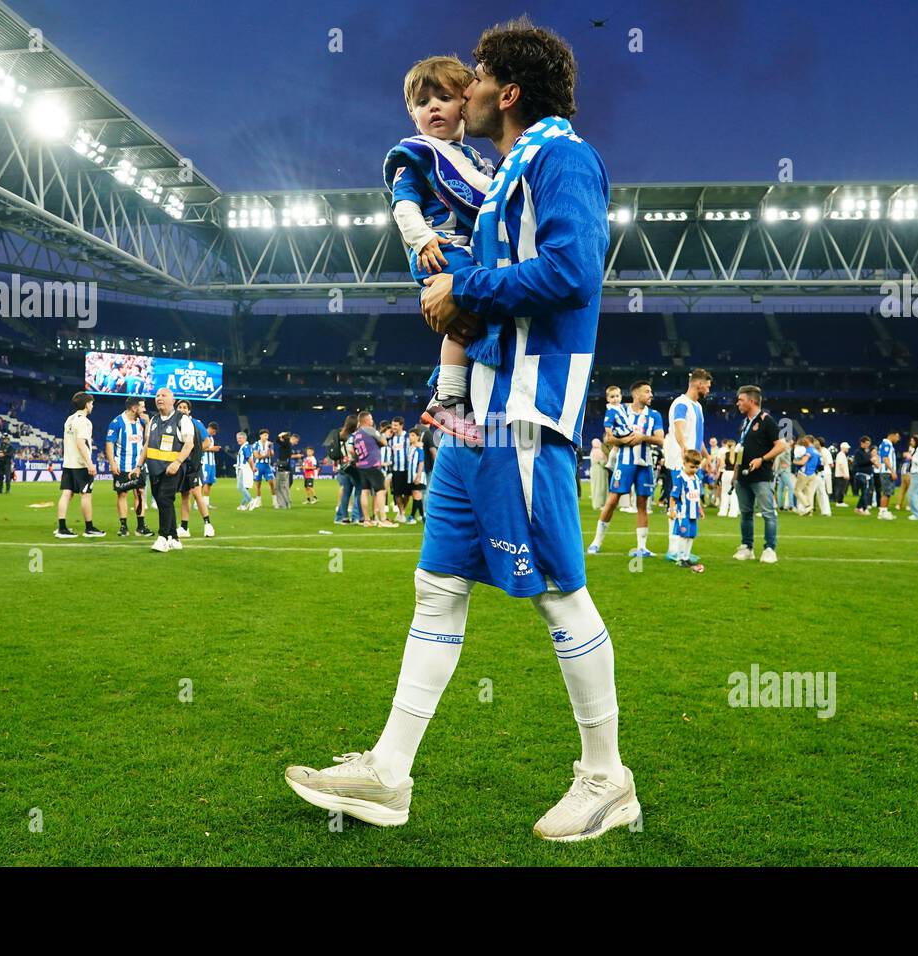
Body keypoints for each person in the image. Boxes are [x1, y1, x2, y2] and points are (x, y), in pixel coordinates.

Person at [286, 19, 639, 841]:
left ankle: (606, 778)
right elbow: (475, 293)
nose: (466, 88)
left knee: (558, 593)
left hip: (523, 415)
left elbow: (573, 271)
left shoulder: (562, 157)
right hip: (474, 417)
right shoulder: (507, 166)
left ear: (506, 92)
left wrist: (463, 288)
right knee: (437, 585)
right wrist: (452, 307)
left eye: (478, 76)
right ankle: (388, 773)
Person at [384, 56, 496, 444]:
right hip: (440, 249)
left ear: (464, 105)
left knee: (469, 319)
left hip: (464, 249)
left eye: (444, 97)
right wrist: (424, 239)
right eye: (422, 102)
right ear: (412, 115)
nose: (432, 107)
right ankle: (446, 400)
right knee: (476, 293)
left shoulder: (476, 160)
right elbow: (403, 207)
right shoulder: (416, 157)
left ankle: (450, 393)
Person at [588, 381, 665, 557]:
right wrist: (624, 441)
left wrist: (642, 437)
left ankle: (642, 547)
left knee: (642, 504)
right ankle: (596, 542)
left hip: (645, 464)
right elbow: (608, 439)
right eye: (647, 392)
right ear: (636, 395)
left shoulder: (654, 415)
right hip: (624, 462)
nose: (651, 395)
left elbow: (660, 439)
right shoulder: (620, 411)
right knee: (612, 500)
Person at [732, 385, 785, 564]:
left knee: (768, 513)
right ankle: (747, 547)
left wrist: (762, 459)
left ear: (752, 401)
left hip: (761, 475)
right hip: (743, 476)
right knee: (745, 513)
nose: (738, 403)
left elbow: (781, 445)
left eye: (741, 399)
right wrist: (735, 474)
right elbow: (741, 450)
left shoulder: (767, 420)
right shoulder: (745, 422)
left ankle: (770, 548)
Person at [662, 368, 710, 559]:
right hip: (680, 461)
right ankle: (673, 549)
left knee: (688, 500)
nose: (708, 389)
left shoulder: (697, 406)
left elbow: (696, 435)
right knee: (678, 500)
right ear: (699, 384)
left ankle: (680, 549)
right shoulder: (681, 404)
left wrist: (708, 455)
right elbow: (679, 429)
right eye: (707, 385)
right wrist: (683, 450)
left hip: (691, 459)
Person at [142, 388, 195, 552]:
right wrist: (138, 466)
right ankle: (174, 538)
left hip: (173, 468)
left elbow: (189, 444)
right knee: (163, 501)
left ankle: (163, 537)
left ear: (173, 400)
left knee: (165, 498)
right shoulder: (153, 420)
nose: (159, 398)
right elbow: (147, 444)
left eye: (163, 395)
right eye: (157, 395)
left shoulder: (183, 420)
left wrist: (177, 462)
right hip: (154, 469)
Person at [54, 392, 105, 539]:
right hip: (81, 465)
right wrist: (89, 463)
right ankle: (89, 528)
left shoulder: (69, 419)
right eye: (91, 403)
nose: (92, 405)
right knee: (86, 495)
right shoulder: (84, 421)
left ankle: (62, 527)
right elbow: (81, 443)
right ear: (87, 404)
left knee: (66, 494)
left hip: (68, 463)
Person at [105, 396, 152, 537]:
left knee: (140, 494)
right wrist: (112, 463)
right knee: (122, 494)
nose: (144, 409)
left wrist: (148, 423)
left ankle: (141, 527)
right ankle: (123, 526)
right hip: (122, 466)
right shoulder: (117, 422)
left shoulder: (142, 421)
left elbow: (148, 440)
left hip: (138, 465)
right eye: (142, 406)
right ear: (134, 408)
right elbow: (109, 443)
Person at [175, 399, 214, 538]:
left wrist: (193, 451)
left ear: (189, 410)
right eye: (180, 407)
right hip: (181, 465)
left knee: (197, 494)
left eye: (185, 407)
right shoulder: (174, 424)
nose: (182, 409)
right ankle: (184, 528)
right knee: (185, 496)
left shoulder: (196, 423)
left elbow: (207, 442)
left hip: (194, 464)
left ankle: (208, 524)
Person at [352, 411, 394, 527]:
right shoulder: (370, 430)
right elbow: (384, 441)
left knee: (364, 492)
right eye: (370, 419)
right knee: (381, 491)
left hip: (362, 465)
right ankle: (383, 519)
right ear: (365, 420)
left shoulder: (356, 434)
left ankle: (366, 520)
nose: (372, 421)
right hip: (373, 465)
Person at [669, 448, 705, 571]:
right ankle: (680, 558)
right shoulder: (680, 478)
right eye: (691, 467)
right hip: (683, 512)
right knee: (683, 535)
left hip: (694, 513)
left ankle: (686, 556)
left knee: (691, 535)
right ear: (684, 463)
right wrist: (672, 510)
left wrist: (700, 509)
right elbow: (673, 496)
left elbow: (697, 496)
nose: (694, 470)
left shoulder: (697, 479)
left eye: (696, 467)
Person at [875, 429, 899, 519]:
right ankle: (882, 512)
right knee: (886, 492)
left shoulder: (888, 444)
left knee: (888, 493)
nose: (898, 439)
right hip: (886, 472)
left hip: (887, 471)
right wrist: (892, 471)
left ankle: (884, 510)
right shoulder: (886, 444)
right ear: (892, 435)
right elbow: (885, 458)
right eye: (897, 437)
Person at [405, 428, 425, 523]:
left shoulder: (419, 448)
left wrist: (418, 476)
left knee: (416, 494)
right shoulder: (411, 447)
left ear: (418, 437)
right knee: (417, 495)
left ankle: (412, 517)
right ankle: (422, 516)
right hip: (411, 475)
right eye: (410, 435)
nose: (411, 437)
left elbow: (421, 462)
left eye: (413, 435)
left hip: (417, 475)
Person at [201, 422, 221, 511]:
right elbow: (199, 448)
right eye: (214, 431)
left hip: (212, 463)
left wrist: (214, 449)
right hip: (205, 463)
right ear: (211, 428)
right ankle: (197, 503)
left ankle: (206, 503)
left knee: (209, 483)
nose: (214, 433)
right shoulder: (202, 435)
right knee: (202, 483)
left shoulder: (211, 438)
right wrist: (212, 449)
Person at [274, 430, 297, 510]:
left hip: (283, 467)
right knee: (285, 486)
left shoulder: (286, 444)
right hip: (286, 467)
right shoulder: (287, 445)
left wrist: (280, 434)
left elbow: (277, 440)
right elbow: (278, 440)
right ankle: (286, 503)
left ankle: (283, 504)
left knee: (281, 486)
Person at [251, 428, 273, 508]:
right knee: (258, 485)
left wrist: (269, 449)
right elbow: (256, 456)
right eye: (265, 435)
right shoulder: (256, 444)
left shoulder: (270, 444)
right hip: (259, 466)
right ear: (261, 436)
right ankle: (258, 501)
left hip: (267, 466)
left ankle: (275, 501)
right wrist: (265, 455)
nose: (266, 437)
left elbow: (272, 455)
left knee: (272, 483)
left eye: (267, 435)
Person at [234, 431, 254, 510]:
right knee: (245, 488)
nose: (238, 440)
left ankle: (251, 500)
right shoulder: (244, 446)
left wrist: (253, 467)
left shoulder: (245, 447)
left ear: (245, 438)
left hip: (244, 469)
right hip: (244, 468)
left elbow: (249, 458)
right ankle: (242, 505)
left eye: (240, 438)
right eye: (237, 438)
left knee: (240, 487)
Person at [587, 437, 608, 509]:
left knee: (595, 487)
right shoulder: (599, 451)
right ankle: (599, 504)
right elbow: (602, 462)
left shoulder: (593, 451)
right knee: (600, 487)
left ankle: (597, 504)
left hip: (595, 470)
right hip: (599, 470)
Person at [833, 441, 850, 505]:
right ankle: (839, 502)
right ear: (843, 448)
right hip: (841, 475)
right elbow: (841, 465)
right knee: (841, 489)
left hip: (841, 475)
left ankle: (840, 501)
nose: (848, 449)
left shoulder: (842, 455)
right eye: (847, 448)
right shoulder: (841, 455)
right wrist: (845, 474)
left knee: (842, 488)